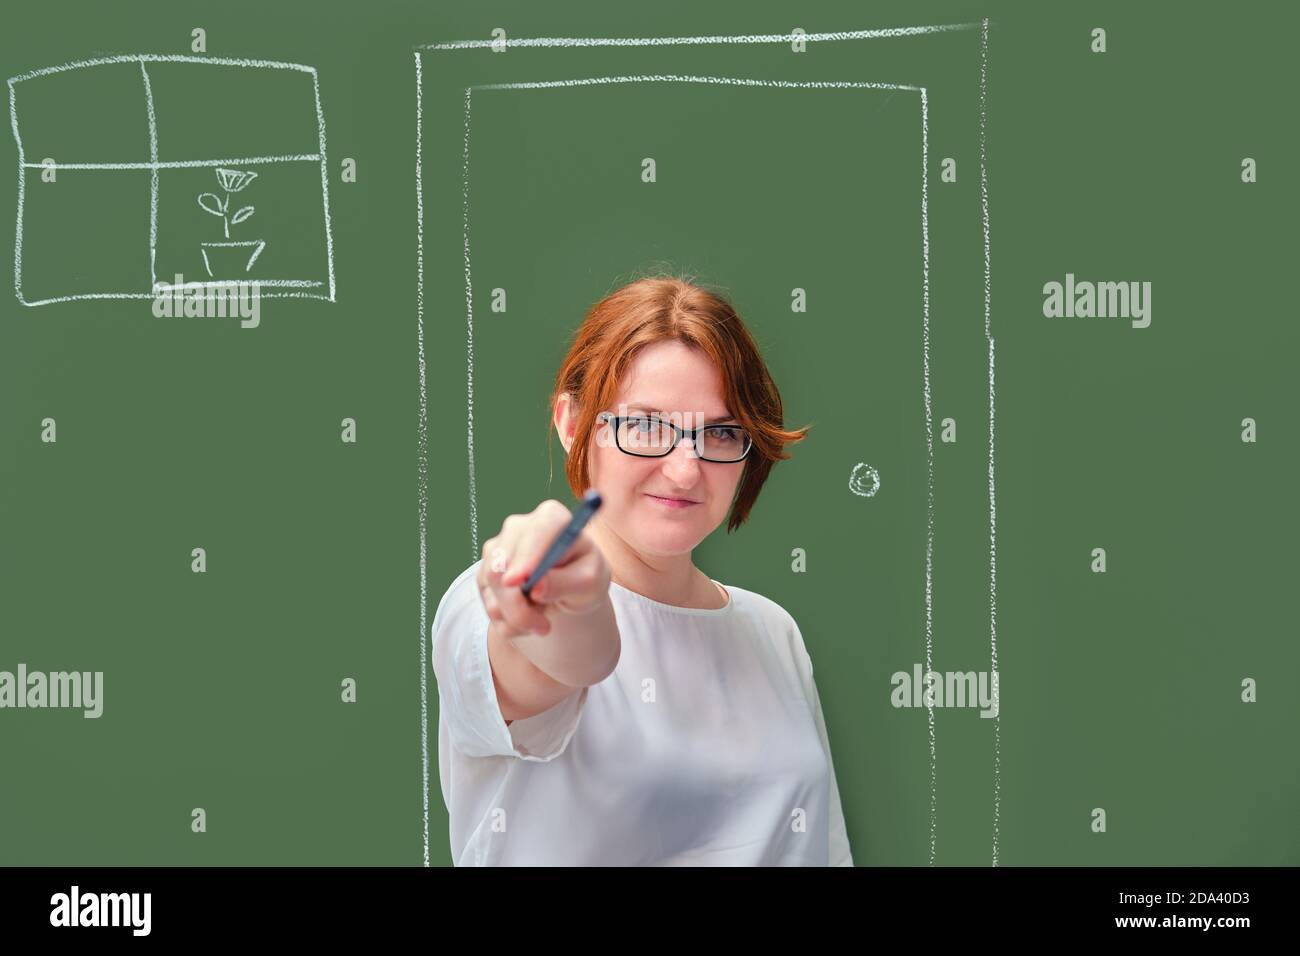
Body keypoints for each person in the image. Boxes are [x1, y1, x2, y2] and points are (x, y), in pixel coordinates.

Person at [431, 274, 853, 866]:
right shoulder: (494, 602)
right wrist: (571, 598)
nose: (685, 470)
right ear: (572, 423)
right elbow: (564, 658)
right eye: (646, 426)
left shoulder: (773, 631)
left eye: (720, 431)